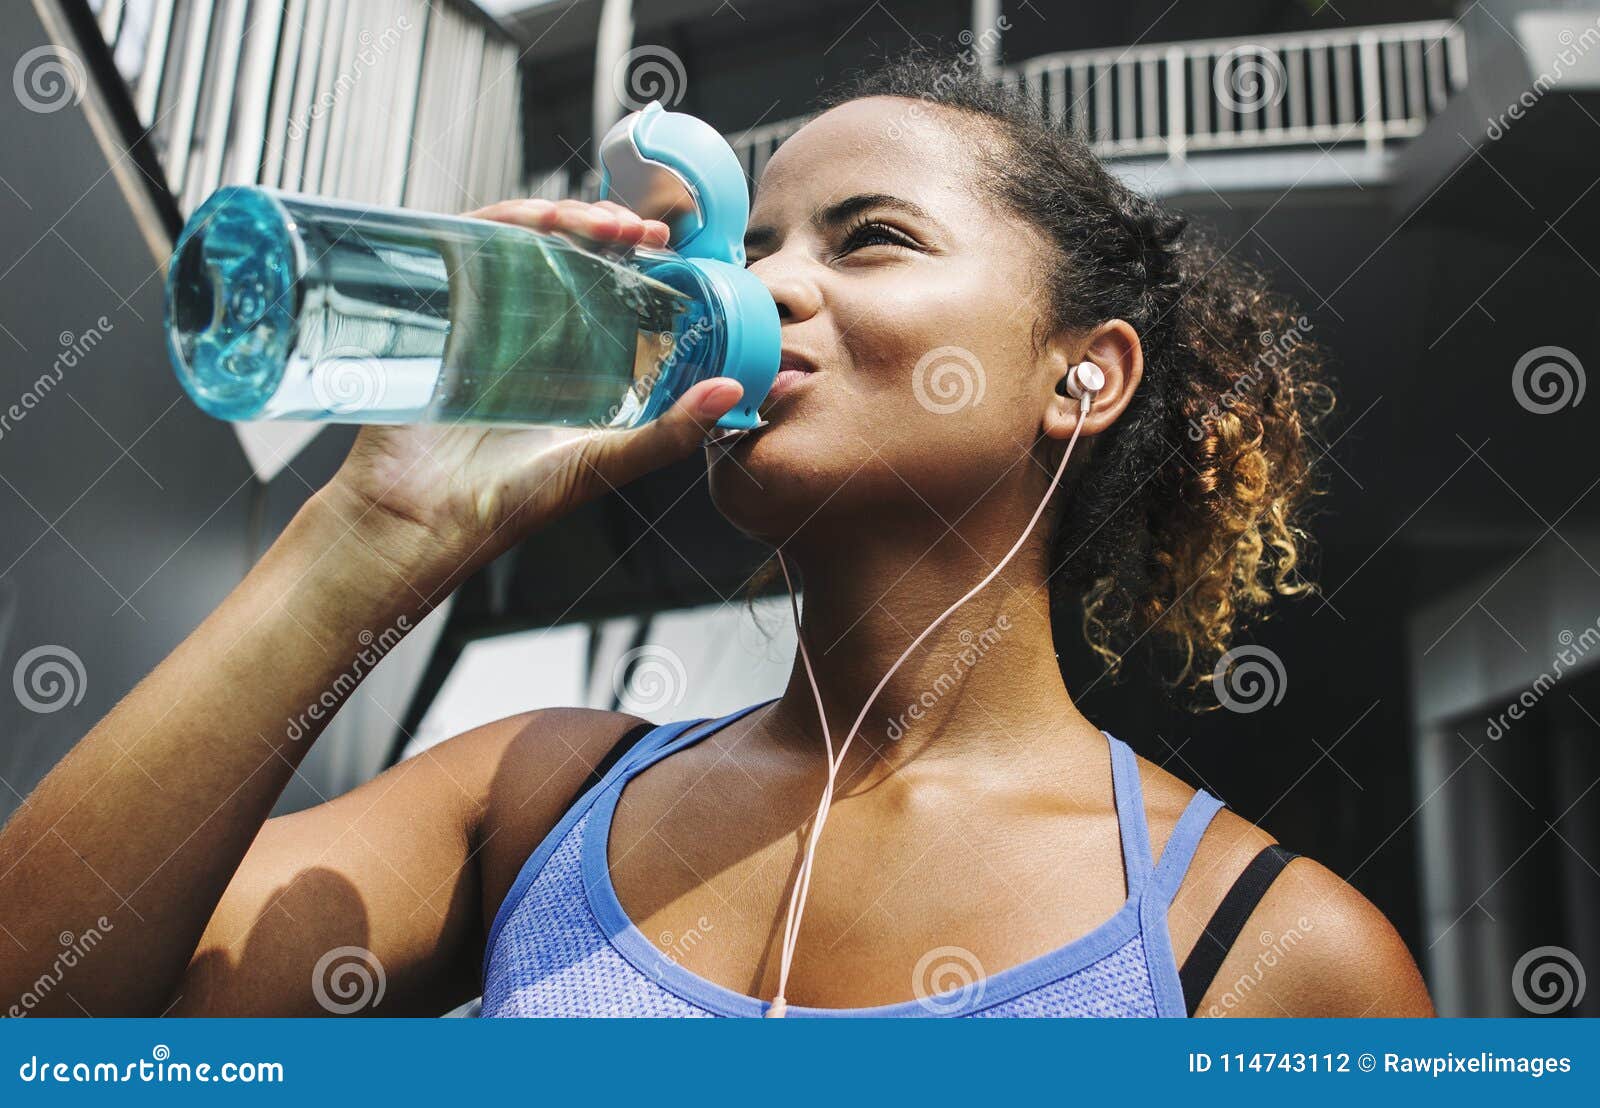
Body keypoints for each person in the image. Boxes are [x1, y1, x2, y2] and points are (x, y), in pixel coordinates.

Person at [0, 57, 1432, 1018]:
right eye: (748, 252)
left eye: (869, 239)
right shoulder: (537, 799)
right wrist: (368, 536)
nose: (761, 290)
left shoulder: (1269, 955)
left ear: (1084, 375)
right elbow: (45, 1020)